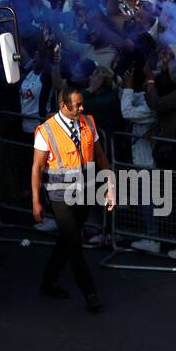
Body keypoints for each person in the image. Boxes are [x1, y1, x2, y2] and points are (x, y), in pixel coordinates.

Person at [31, 84, 113, 311]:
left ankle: (48, 281)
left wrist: (110, 185)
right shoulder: (46, 131)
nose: (81, 108)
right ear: (63, 106)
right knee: (75, 244)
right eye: (76, 105)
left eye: (81, 104)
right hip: (60, 194)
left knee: (67, 239)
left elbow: (100, 155)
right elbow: (37, 168)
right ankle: (90, 293)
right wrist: (36, 201)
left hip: (85, 190)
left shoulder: (88, 122)